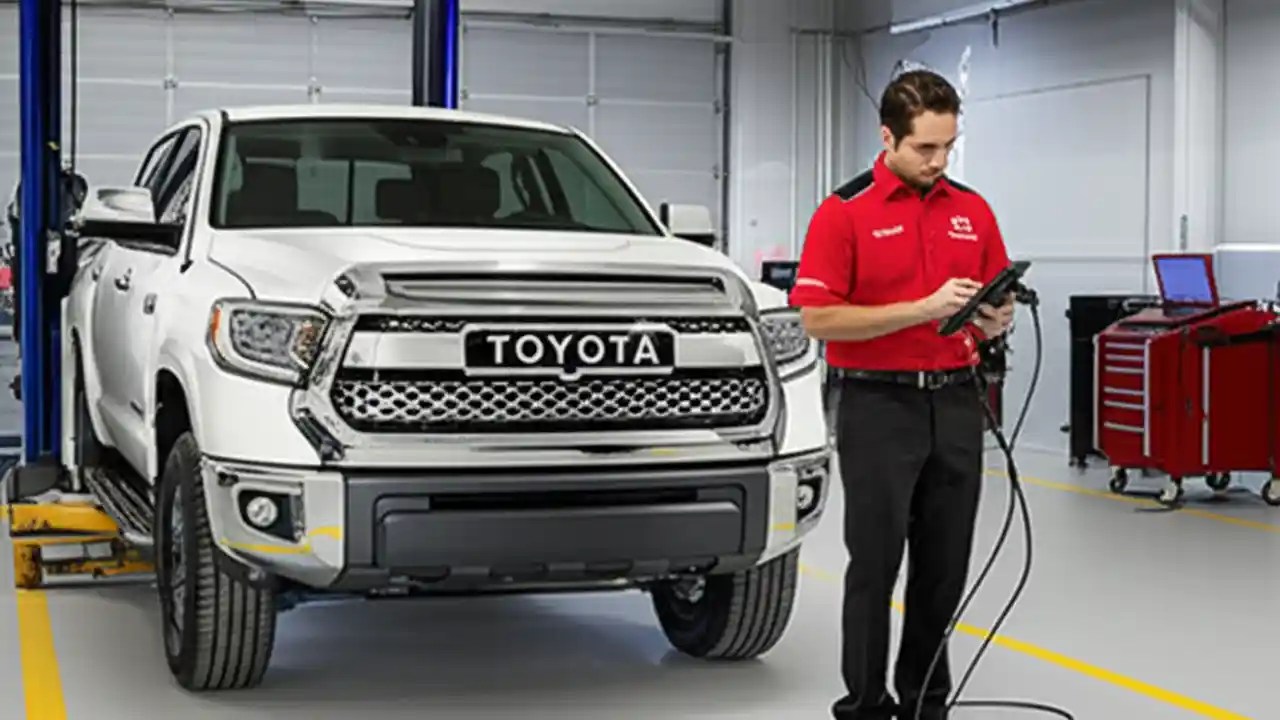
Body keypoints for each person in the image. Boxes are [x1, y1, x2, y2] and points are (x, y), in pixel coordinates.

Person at [788, 69, 1015, 720]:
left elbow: (992, 294)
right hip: (876, 406)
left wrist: (995, 316)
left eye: (949, 147)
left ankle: (925, 704)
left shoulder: (973, 210)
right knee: (876, 564)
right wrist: (917, 310)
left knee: (944, 569)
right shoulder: (844, 212)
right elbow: (817, 318)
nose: (939, 162)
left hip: (954, 401)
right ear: (888, 137)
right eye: (925, 149)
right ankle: (864, 704)